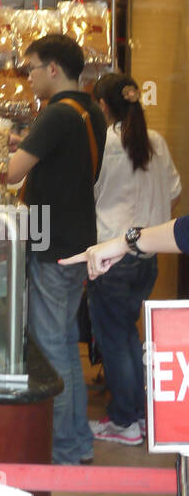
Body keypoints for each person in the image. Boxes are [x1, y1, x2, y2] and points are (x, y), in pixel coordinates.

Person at [7, 34, 107, 465]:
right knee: (65, 343)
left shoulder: (56, 114)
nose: (28, 77)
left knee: (51, 346)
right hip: (78, 237)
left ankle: (63, 447)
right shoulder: (90, 111)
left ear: (53, 69)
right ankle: (78, 441)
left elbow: (12, 173)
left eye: (31, 68)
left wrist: (1, 153)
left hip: (51, 240)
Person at [81, 74, 180, 445]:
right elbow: (174, 192)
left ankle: (125, 421)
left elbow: (85, 194)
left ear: (103, 105)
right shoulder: (156, 141)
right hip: (147, 257)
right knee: (126, 334)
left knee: (115, 338)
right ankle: (138, 415)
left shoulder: (103, 142)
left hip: (112, 255)